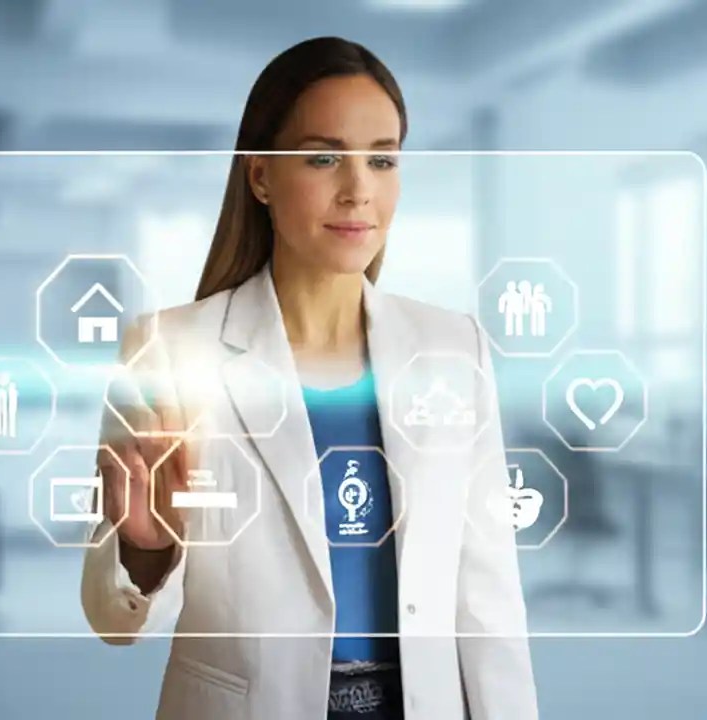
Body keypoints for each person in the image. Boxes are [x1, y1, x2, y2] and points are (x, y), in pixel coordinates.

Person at [80, 36, 536, 720]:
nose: (358, 190)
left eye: (382, 159)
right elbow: (114, 620)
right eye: (324, 157)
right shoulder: (171, 350)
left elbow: (489, 600)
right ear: (261, 176)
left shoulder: (452, 348)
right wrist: (149, 551)